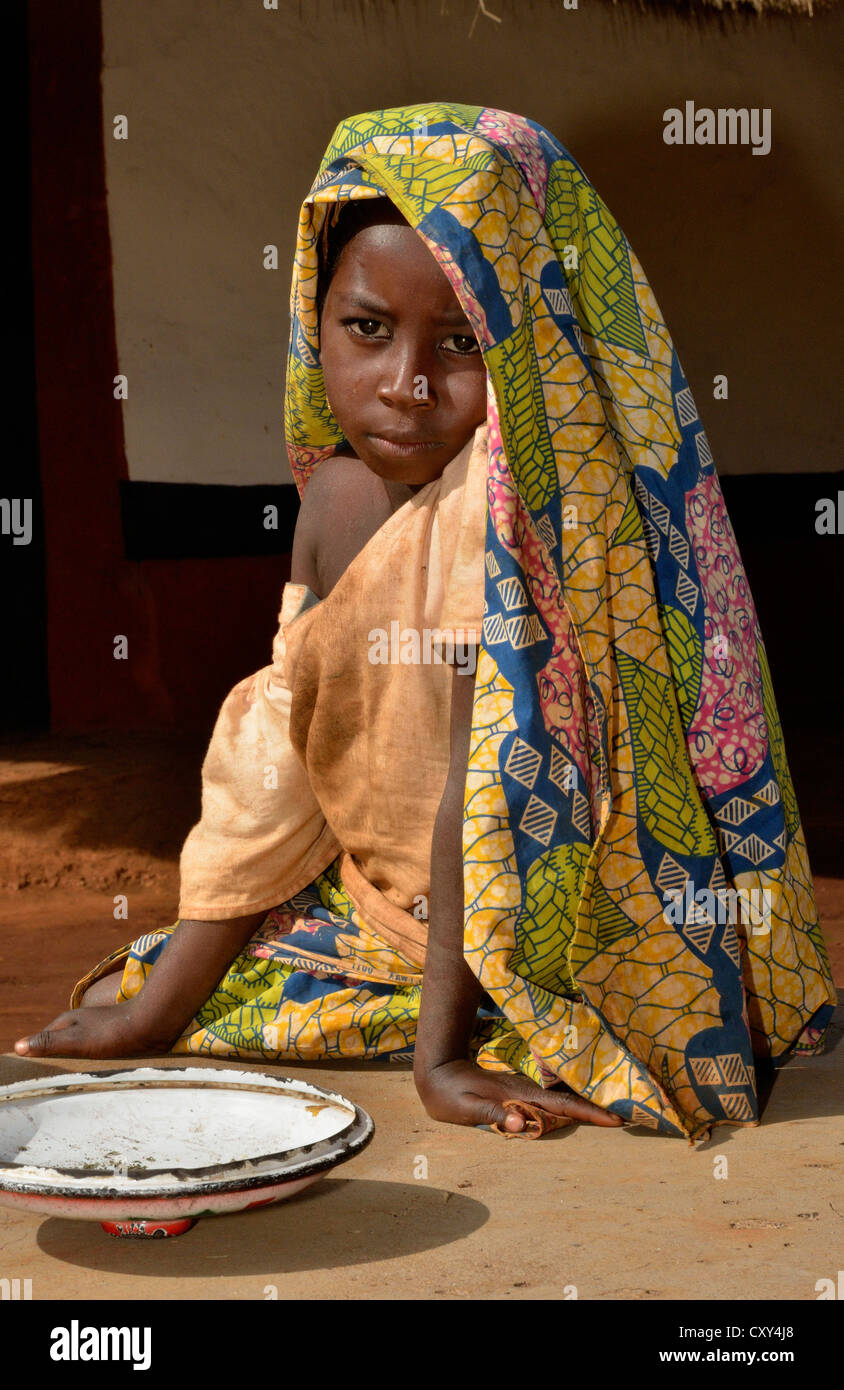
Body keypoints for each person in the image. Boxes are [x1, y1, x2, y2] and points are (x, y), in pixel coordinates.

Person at [15, 103, 835, 1142]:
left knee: (566, 1033)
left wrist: (439, 1058)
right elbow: (283, 747)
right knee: (188, 986)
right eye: (367, 329)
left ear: (529, 341)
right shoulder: (334, 503)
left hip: (550, 925)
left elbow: (478, 791)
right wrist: (157, 1008)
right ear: (313, 315)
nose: (405, 385)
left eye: (460, 341)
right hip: (383, 910)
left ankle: (463, 1021)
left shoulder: (527, 522)